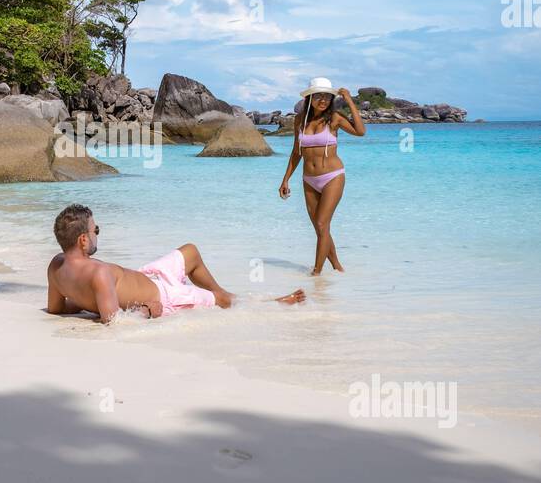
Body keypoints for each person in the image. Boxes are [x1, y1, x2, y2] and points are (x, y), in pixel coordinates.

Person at [47, 204, 305, 323]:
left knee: (190, 251)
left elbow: (57, 308)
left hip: (149, 275)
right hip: (167, 296)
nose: (97, 234)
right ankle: (273, 305)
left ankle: (220, 292)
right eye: (96, 230)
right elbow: (113, 322)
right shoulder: (98, 273)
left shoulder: (56, 266)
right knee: (220, 301)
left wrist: (88, 301)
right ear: (83, 240)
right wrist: (147, 311)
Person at [278, 77, 365, 275]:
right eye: (318, 96)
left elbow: (360, 131)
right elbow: (296, 152)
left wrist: (349, 100)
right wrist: (286, 179)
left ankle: (316, 272)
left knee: (321, 223)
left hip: (332, 177)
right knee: (320, 229)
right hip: (308, 180)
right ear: (310, 98)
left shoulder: (334, 118)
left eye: (327, 96)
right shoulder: (300, 119)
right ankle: (337, 267)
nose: (323, 100)